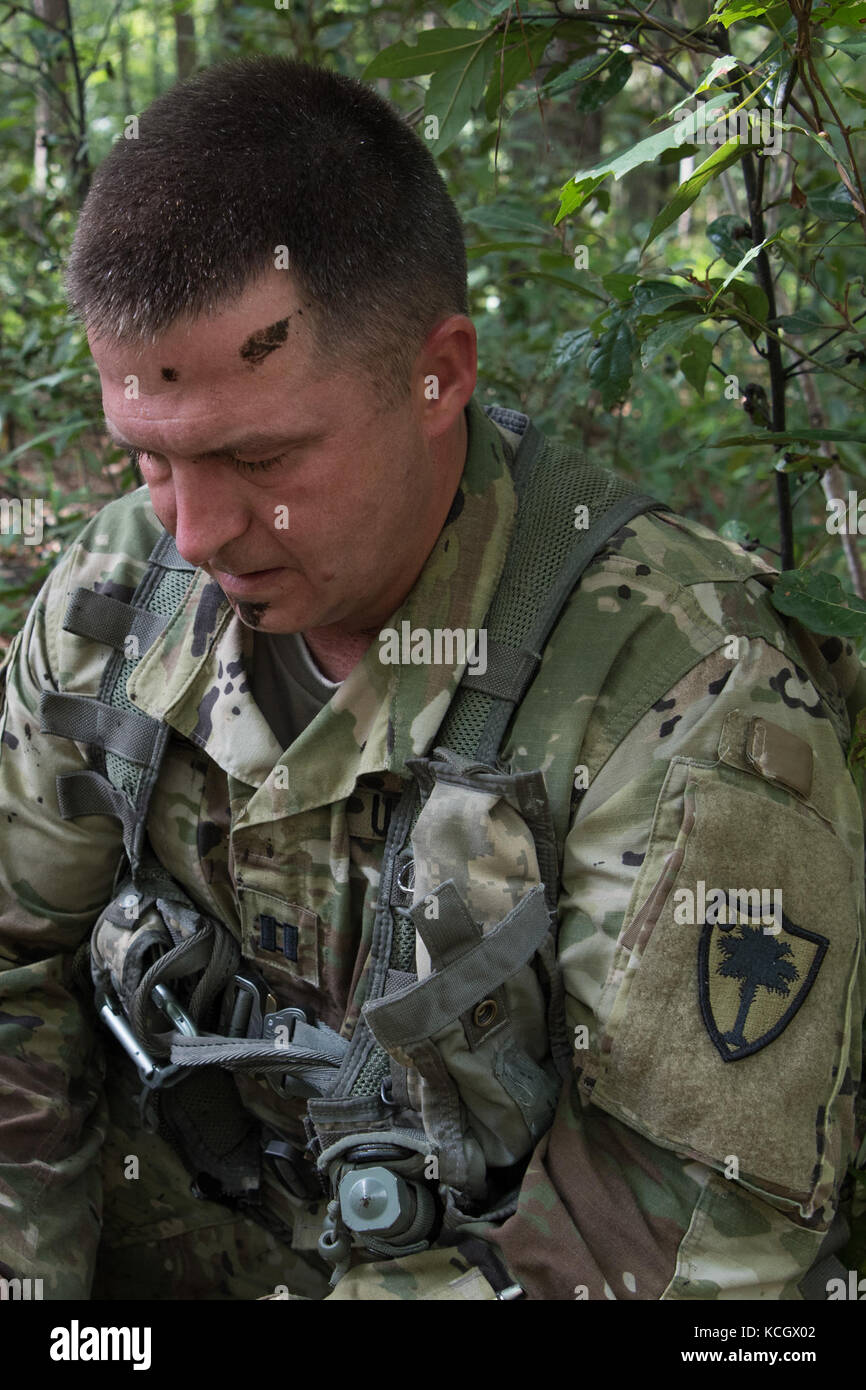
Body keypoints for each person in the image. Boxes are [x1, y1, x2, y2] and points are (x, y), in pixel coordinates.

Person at [0, 56, 863, 1302]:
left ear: (437, 375)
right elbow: (16, 962)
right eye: (147, 461)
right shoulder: (118, 600)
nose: (193, 532)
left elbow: (703, 1224)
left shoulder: (686, 693)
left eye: (257, 455)